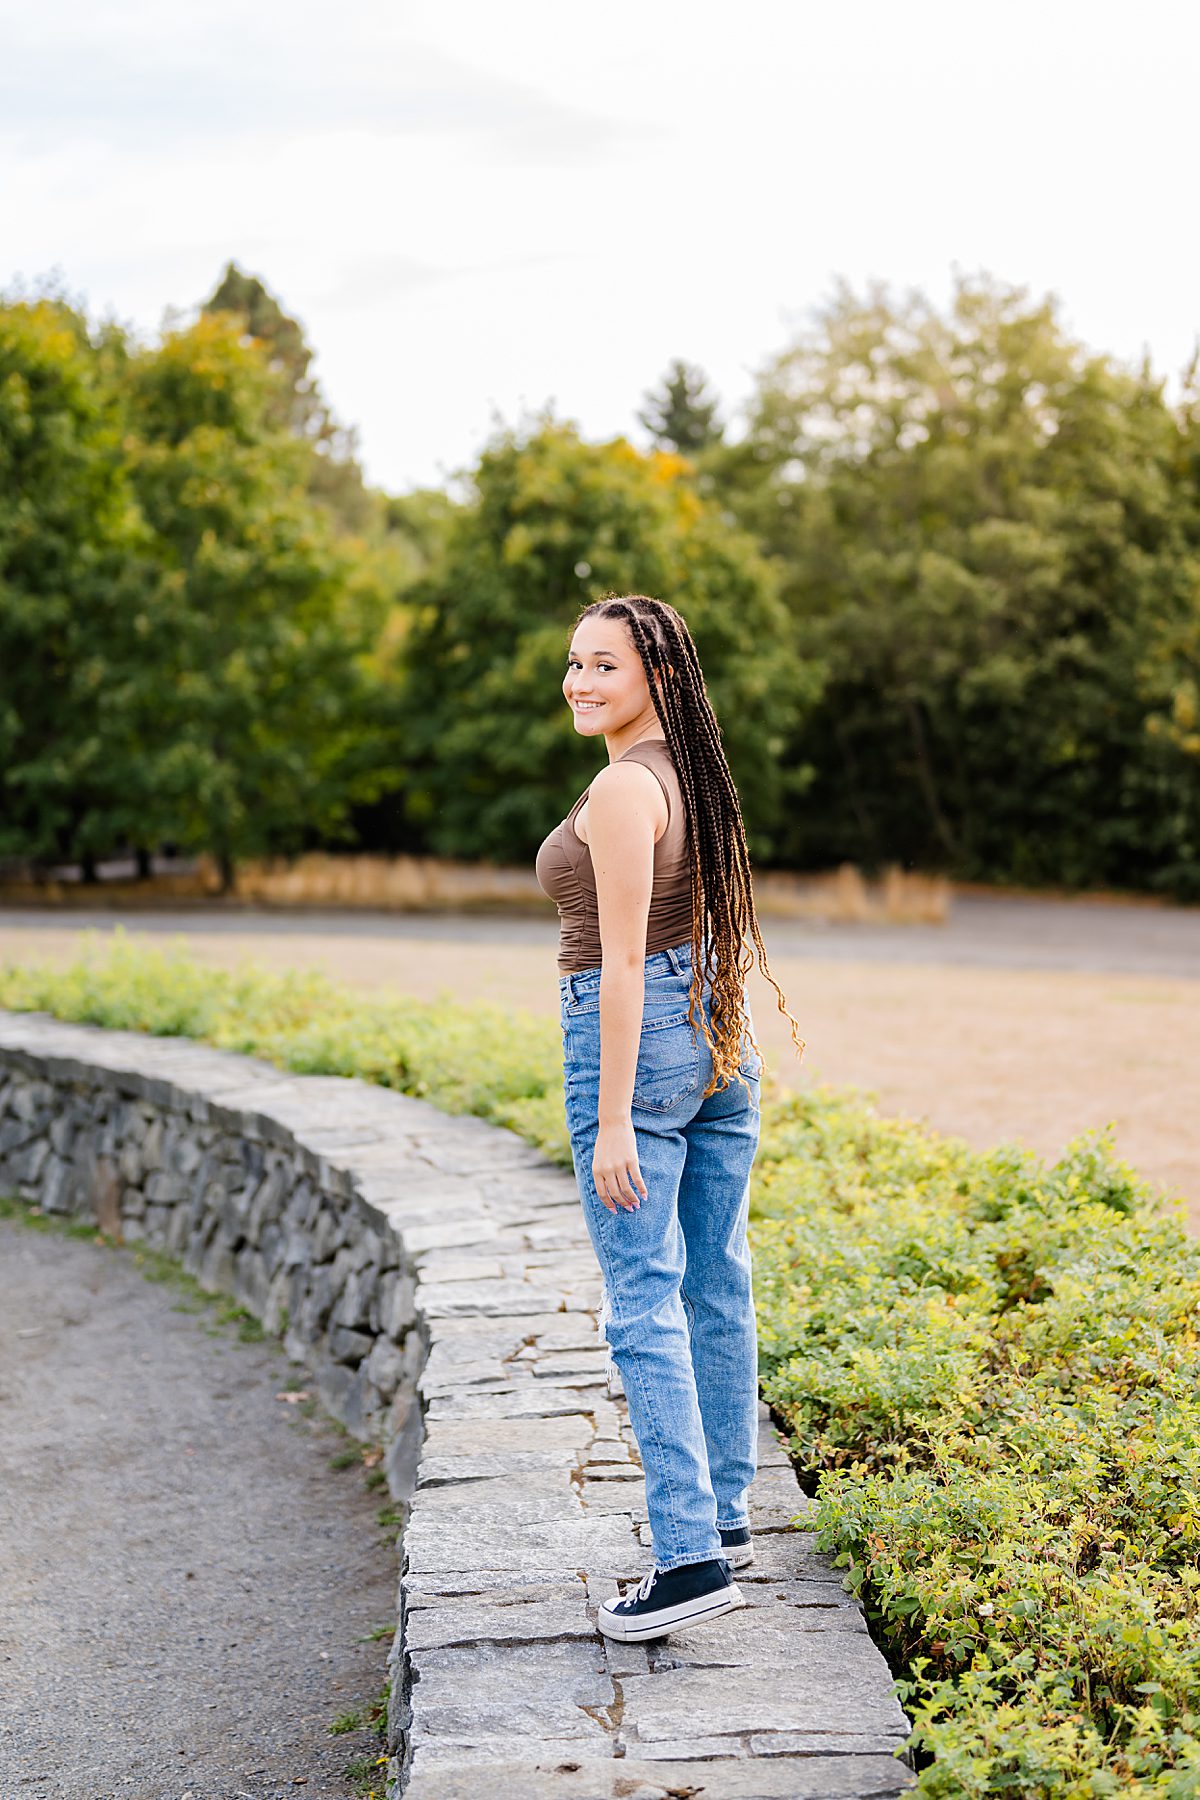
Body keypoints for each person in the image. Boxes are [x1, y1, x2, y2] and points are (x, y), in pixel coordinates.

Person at [534, 592, 805, 1641]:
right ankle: (726, 1520)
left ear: (657, 676)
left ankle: (690, 1559)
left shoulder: (619, 791)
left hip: (639, 1033)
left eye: (603, 665)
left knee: (645, 1301)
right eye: (574, 663)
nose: (579, 682)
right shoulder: (689, 773)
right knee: (713, 1281)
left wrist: (608, 1121)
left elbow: (619, 961)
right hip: (714, 1026)